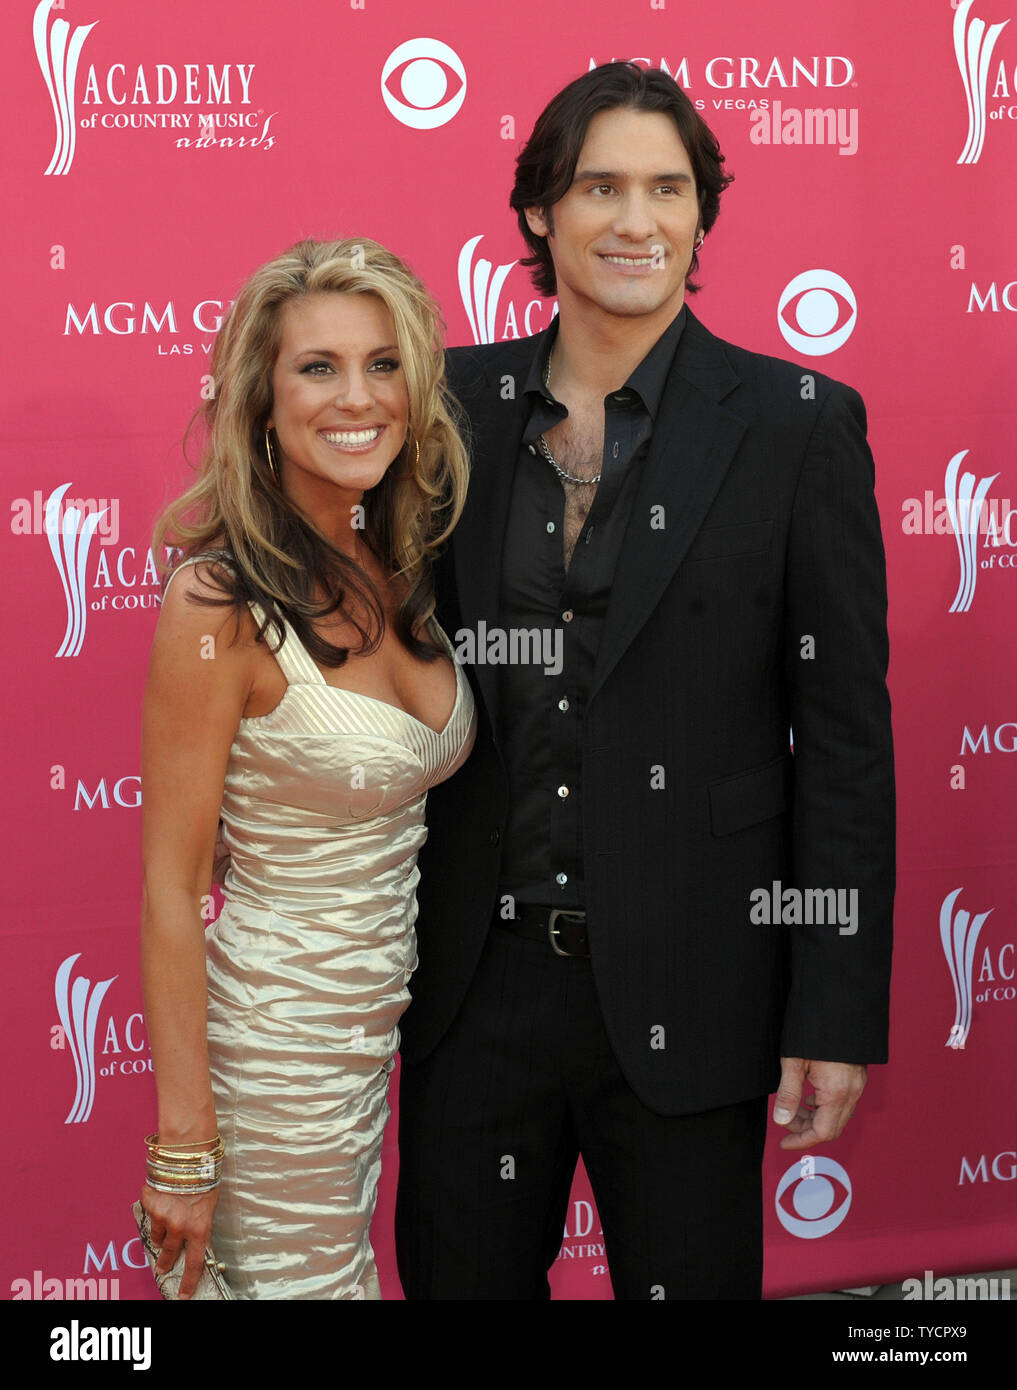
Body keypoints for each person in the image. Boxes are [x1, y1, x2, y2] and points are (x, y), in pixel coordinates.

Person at [395, 63, 894, 1300]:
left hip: (698, 985)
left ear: (702, 214)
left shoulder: (795, 423)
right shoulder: (448, 406)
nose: (636, 219)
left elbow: (842, 743)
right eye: (600, 185)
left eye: (667, 188)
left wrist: (831, 1006)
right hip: (475, 989)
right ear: (537, 215)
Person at [139, 236, 474, 1300]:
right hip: (273, 1057)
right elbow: (170, 887)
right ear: (262, 400)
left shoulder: (404, 562)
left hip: (375, 1040)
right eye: (317, 367)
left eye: (383, 364)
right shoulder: (217, 603)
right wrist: (185, 1150)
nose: (356, 396)